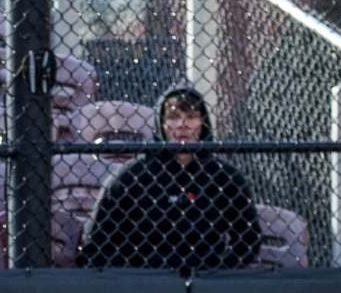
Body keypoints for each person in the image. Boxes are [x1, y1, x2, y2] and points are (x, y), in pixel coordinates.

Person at [77, 86, 263, 271]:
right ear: (161, 124)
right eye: (173, 117)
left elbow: (249, 239)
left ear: (203, 122)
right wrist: (131, 273)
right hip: (145, 279)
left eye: (191, 116)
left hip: (206, 278)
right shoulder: (131, 177)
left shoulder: (225, 177)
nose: (183, 124)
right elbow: (95, 242)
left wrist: (219, 270)